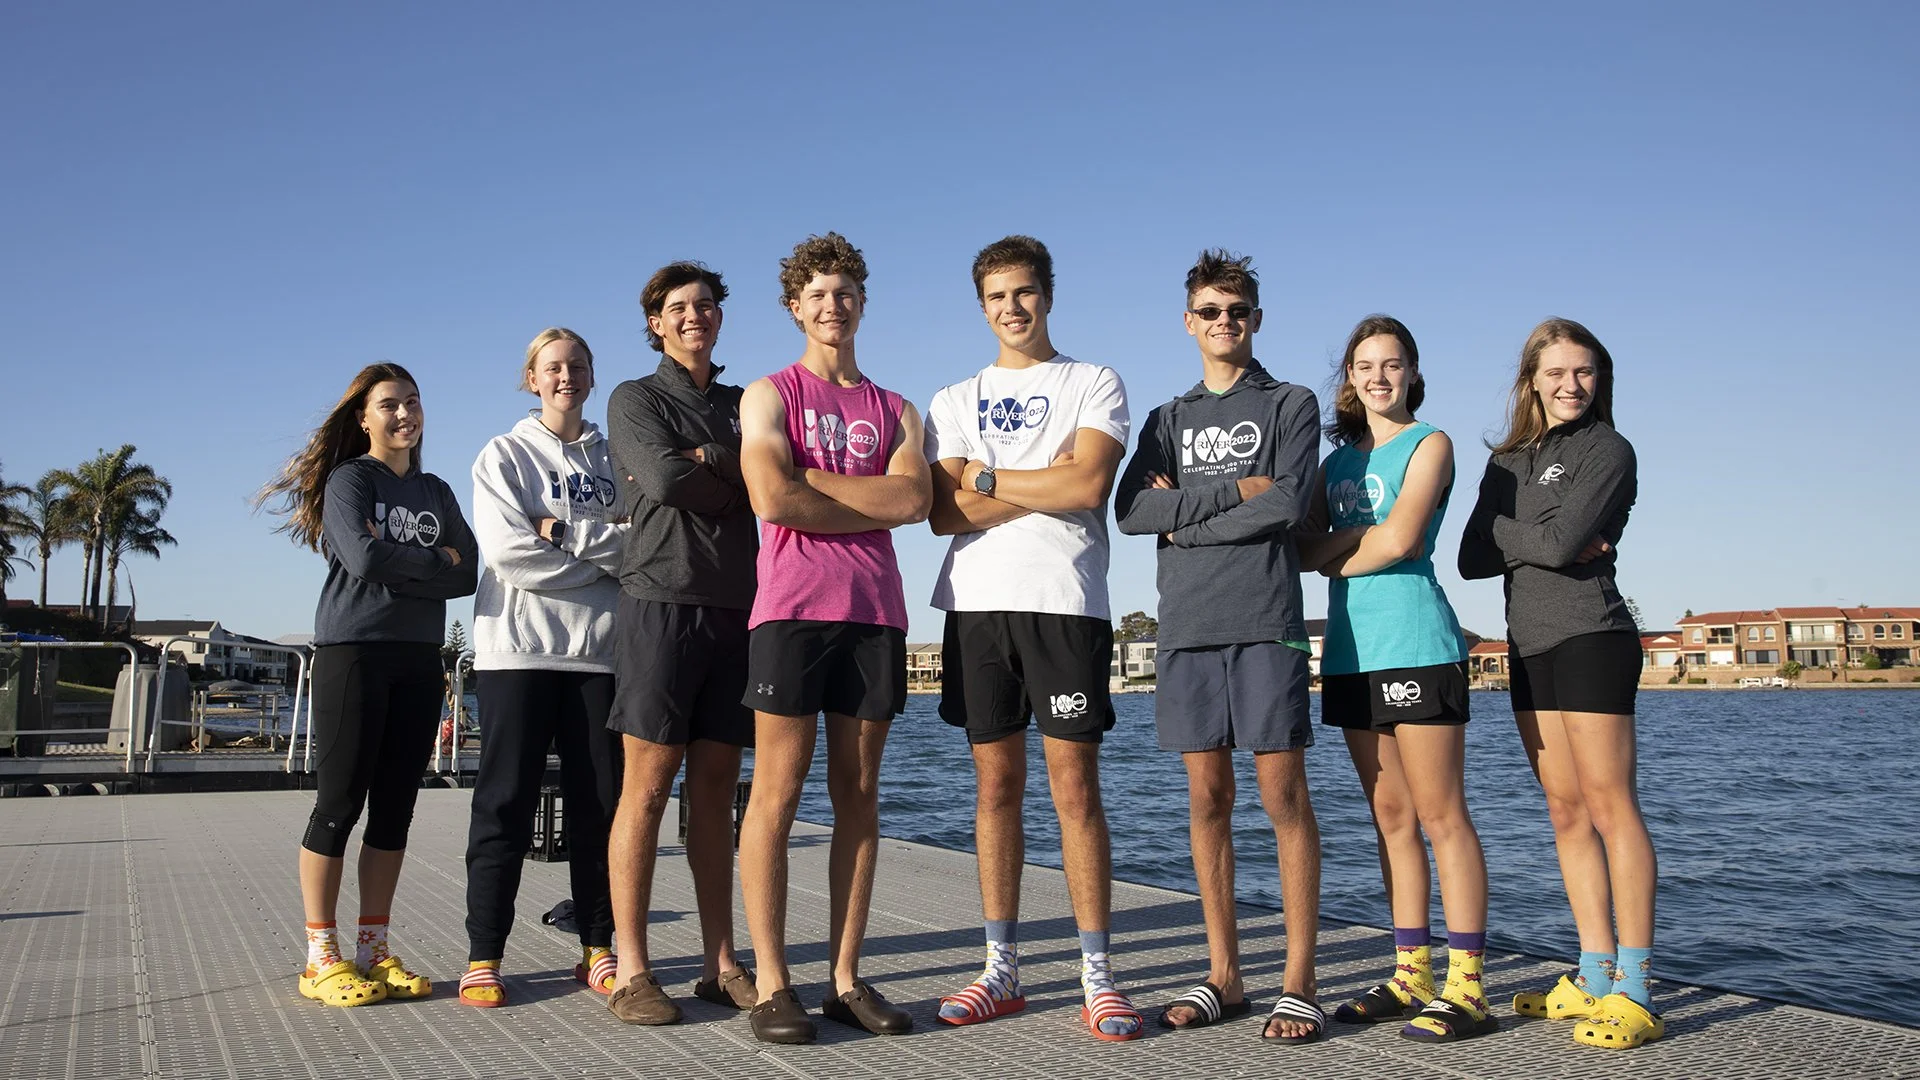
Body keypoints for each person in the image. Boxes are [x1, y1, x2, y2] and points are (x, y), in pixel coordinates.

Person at [923, 236, 1139, 1040]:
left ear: (1047, 295)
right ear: (981, 306)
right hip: (977, 606)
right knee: (995, 790)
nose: (1012, 308)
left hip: (1065, 603)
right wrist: (1034, 483)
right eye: (997, 297)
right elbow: (942, 515)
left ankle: (1098, 976)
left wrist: (983, 476)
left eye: (1024, 292)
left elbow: (1088, 484)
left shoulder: (1092, 381)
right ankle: (1000, 969)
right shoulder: (953, 397)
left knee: (1075, 790)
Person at [1114, 250, 1326, 1042]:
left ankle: (1298, 980)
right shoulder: (1167, 420)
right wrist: (1236, 490)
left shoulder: (1291, 403)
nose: (1223, 323)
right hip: (1188, 629)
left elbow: (1288, 503)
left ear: (1256, 320)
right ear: (1188, 322)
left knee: (1282, 800)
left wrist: (1190, 513)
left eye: (1236, 311)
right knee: (1207, 800)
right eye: (1209, 312)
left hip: (1265, 622)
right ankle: (1225, 975)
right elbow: (1132, 512)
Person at [734, 232, 931, 1045]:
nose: (831, 305)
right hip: (790, 612)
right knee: (777, 796)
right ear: (794, 306)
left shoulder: (898, 408)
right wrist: (865, 496)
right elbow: (772, 499)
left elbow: (916, 499)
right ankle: (773, 983)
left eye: (845, 291)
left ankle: (845, 979)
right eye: (816, 294)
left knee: (859, 794)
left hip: (874, 613)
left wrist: (818, 481)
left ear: (862, 301)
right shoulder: (767, 395)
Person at [1458, 317, 1659, 1049]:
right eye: (1556, 373)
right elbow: (1470, 558)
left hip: (1592, 636)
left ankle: (1635, 987)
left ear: (1599, 380)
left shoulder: (1608, 449)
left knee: (1611, 807)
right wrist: (1542, 531)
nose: (1571, 386)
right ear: (1531, 380)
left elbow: (1550, 542)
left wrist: (1533, 531)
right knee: (1567, 813)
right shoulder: (1509, 458)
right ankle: (1594, 972)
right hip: (1528, 644)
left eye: (1585, 372)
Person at [256, 363, 478, 1007]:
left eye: (413, 402)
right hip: (353, 653)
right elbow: (363, 557)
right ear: (363, 417)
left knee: (395, 810)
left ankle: (372, 949)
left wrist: (414, 562)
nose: (405, 414)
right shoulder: (349, 481)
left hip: (417, 658)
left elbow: (467, 574)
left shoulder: (435, 490)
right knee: (339, 803)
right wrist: (434, 562)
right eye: (389, 405)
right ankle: (319, 955)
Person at [1296, 316, 1492, 1042]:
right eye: (1365, 365)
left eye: (1392, 363)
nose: (1378, 376)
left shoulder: (1429, 443)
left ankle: (1466, 985)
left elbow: (1405, 538)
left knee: (1442, 816)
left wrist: (1342, 548)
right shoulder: (1334, 464)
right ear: (1349, 377)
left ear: (1411, 372)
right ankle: (1411, 972)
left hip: (1415, 642)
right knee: (1392, 819)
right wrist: (1356, 543)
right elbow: (1305, 545)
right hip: (1350, 652)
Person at [601, 262, 761, 1024]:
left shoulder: (744, 402)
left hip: (738, 608)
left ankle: (719, 961)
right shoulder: (635, 398)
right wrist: (720, 471)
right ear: (657, 323)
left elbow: (774, 477)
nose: (694, 316)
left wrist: (711, 462)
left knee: (712, 795)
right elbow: (663, 484)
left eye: (705, 305)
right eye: (678, 308)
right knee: (648, 787)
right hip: (659, 604)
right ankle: (632, 969)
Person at [459, 328, 627, 1008]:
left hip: (602, 657)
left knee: (602, 810)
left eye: (578, 366)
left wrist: (557, 531)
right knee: (504, 805)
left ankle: (597, 946)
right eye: (553, 367)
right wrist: (601, 560)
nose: (567, 376)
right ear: (531, 378)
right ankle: (484, 954)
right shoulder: (502, 456)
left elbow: (640, 546)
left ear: (591, 376)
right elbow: (508, 555)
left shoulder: (617, 460)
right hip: (517, 655)